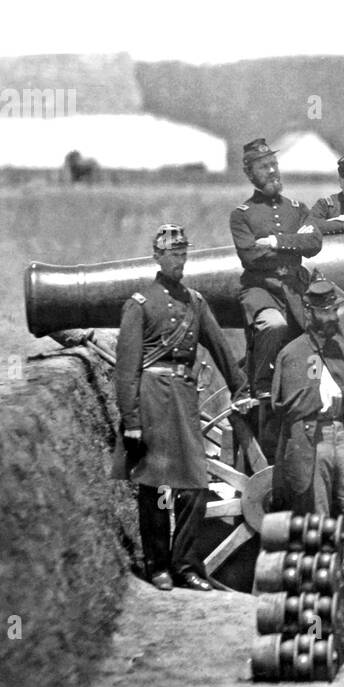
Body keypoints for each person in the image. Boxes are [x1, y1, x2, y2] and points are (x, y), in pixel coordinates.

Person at [115, 224, 246, 592]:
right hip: (152, 398)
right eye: (173, 255)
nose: (179, 261)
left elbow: (219, 347)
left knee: (195, 486)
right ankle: (157, 566)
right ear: (157, 257)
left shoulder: (196, 303)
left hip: (184, 397)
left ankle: (186, 564)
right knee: (155, 485)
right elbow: (126, 371)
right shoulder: (139, 304)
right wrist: (132, 421)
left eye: (184, 254)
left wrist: (240, 389)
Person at [270, 281, 344, 620]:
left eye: (334, 311)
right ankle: (320, 603)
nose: (332, 317)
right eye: (325, 312)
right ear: (310, 313)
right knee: (317, 526)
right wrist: (316, 378)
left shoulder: (343, 353)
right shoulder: (294, 353)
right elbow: (288, 406)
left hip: (342, 439)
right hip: (311, 440)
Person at [229, 138, 322, 411]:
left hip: (296, 288)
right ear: (249, 174)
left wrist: (274, 242)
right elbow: (250, 256)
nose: (271, 171)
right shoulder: (242, 215)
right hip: (262, 291)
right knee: (274, 325)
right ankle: (261, 385)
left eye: (273, 164)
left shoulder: (297, 208)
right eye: (263, 167)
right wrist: (293, 244)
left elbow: (314, 244)